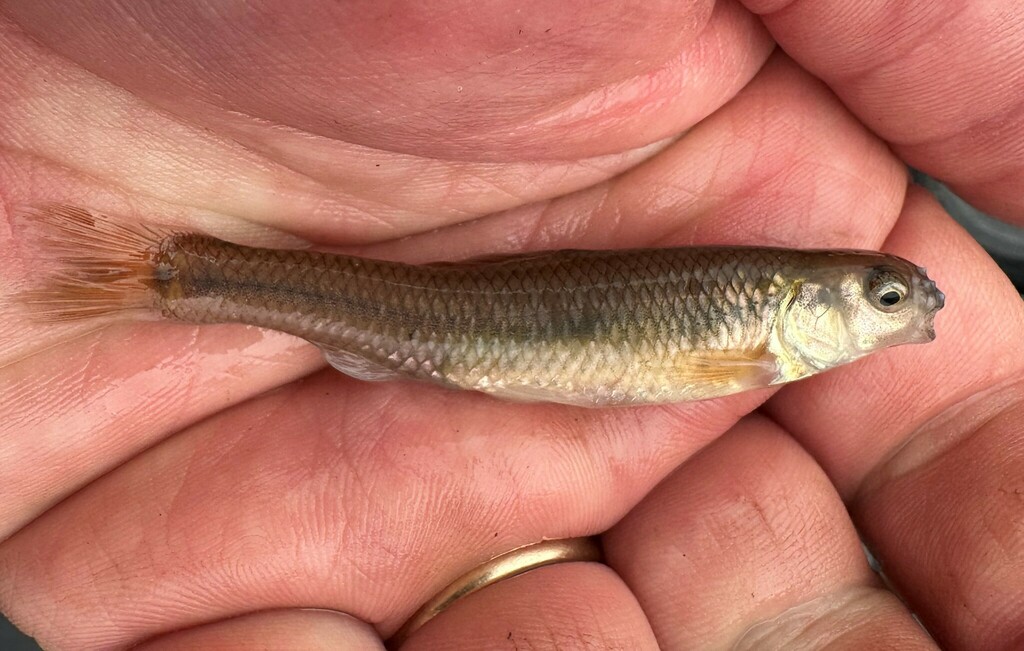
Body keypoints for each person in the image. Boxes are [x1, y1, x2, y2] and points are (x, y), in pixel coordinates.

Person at [1, 2, 1022, 649]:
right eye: (883, 297)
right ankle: (181, 274)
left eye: (891, 298)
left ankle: (190, 276)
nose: (906, 310)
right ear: (795, 302)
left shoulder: (758, 335)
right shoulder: (748, 346)